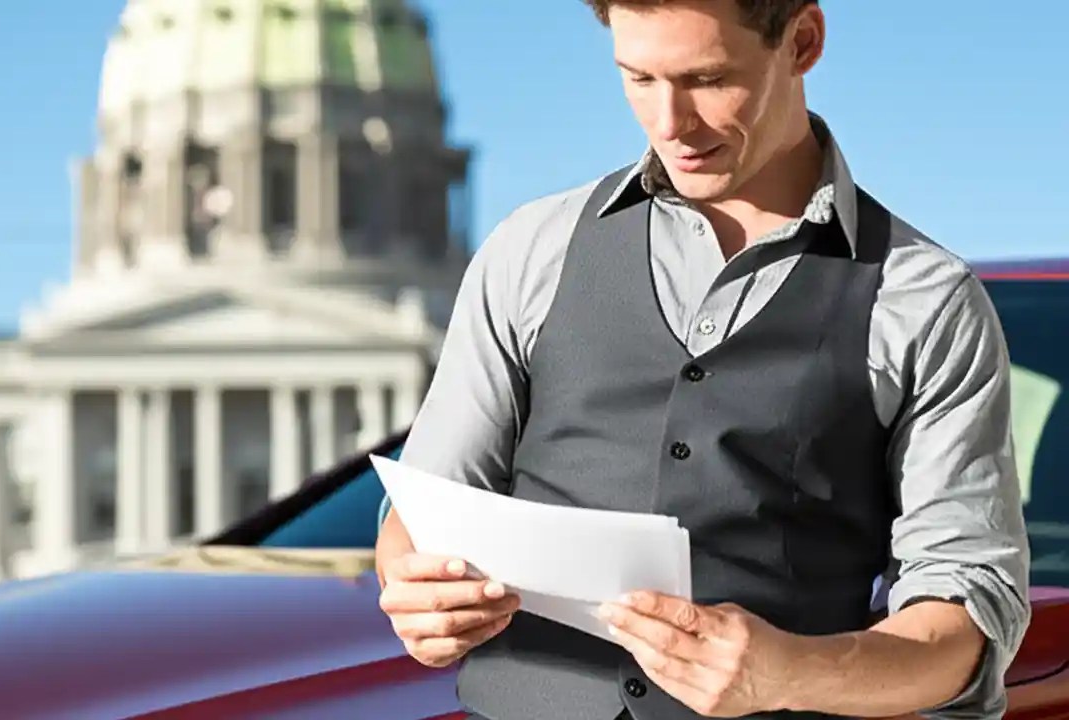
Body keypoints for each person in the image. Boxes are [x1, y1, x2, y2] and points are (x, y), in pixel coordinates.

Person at [373, 1, 1031, 718]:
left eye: (708, 79)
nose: (669, 123)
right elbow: (424, 510)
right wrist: (417, 588)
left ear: (802, 42)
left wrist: (792, 673)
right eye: (639, 78)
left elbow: (965, 627)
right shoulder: (531, 250)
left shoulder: (925, 300)